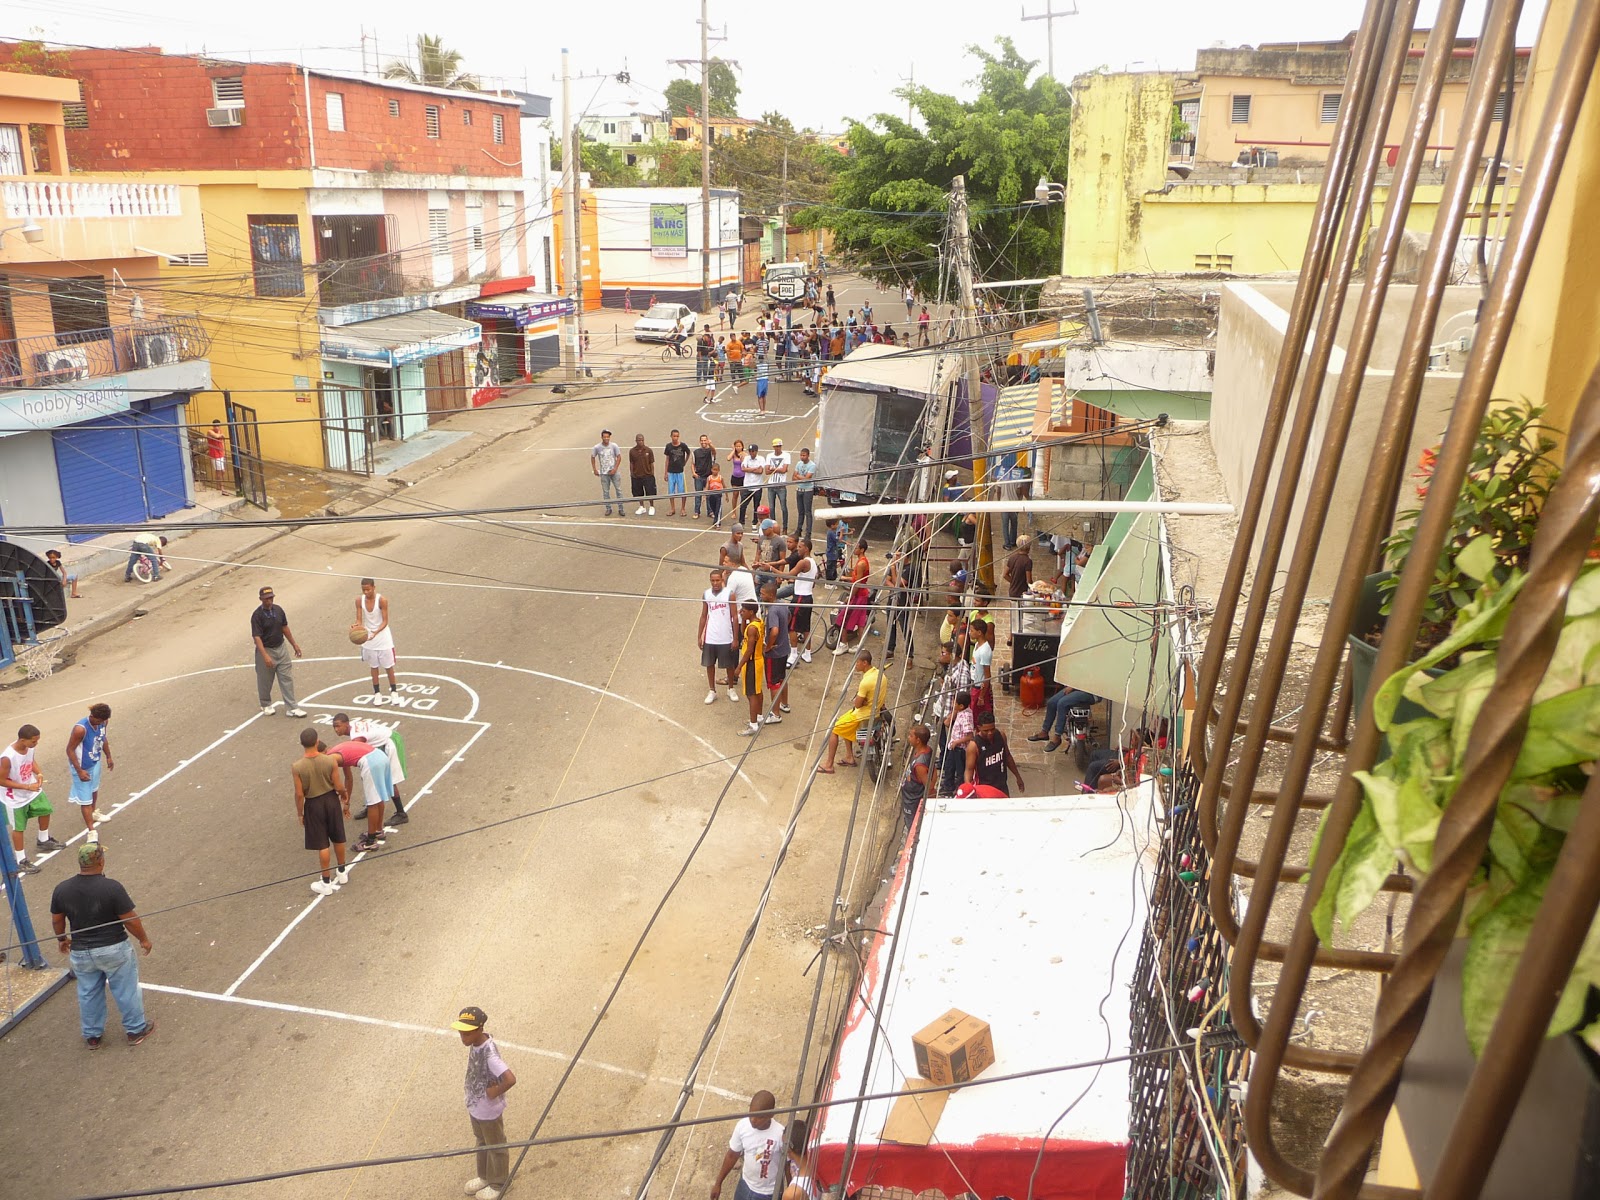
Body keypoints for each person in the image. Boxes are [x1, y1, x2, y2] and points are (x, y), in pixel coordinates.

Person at [50, 842, 154, 1049]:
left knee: (88, 992)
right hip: (113, 949)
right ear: (100, 861)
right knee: (126, 989)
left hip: (80, 952)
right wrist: (143, 939)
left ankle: (92, 1035)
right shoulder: (112, 887)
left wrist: (62, 939)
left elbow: (57, 919)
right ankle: (135, 1030)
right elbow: (130, 919)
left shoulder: (62, 889)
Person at [454, 1005, 517, 1200]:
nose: (462, 1037)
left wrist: (494, 1092)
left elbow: (510, 1078)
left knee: (496, 1146)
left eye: (467, 1033)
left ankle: (499, 1183)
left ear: (480, 1030)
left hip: (488, 1111)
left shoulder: (490, 1054)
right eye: (461, 1032)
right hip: (477, 1108)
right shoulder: (476, 1045)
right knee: (482, 1142)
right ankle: (484, 1176)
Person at [291, 727, 350, 896]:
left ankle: (326, 881)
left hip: (313, 804)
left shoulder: (297, 767)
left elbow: (299, 793)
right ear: (317, 742)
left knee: (322, 844)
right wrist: (344, 796)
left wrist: (300, 813)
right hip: (331, 800)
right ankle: (342, 870)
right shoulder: (330, 761)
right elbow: (338, 785)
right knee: (338, 837)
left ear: (302, 744)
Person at [331, 712, 409, 824]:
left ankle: (401, 813)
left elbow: (358, 755)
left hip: (390, 742)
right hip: (380, 743)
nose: (336, 729)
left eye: (338, 726)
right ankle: (371, 806)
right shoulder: (353, 727)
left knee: (390, 780)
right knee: (367, 776)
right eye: (334, 726)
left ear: (346, 724)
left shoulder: (357, 738)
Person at [3, 724, 61, 875]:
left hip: (30, 788)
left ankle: (43, 839)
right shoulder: (7, 758)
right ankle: (20, 860)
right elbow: (1, 780)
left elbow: (31, 761)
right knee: (19, 828)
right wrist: (26, 787)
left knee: (45, 809)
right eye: (33, 741)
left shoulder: (29, 748)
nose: (36, 744)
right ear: (22, 740)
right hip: (14, 797)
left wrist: (39, 773)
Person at [818, 652, 886, 773]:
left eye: (857, 662)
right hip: (875, 712)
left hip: (862, 715)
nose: (856, 665)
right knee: (844, 723)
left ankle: (829, 764)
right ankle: (849, 756)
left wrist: (859, 701)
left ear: (865, 663)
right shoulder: (881, 676)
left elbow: (857, 704)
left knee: (834, 729)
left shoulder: (865, 682)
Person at [712, 1091, 786, 1200]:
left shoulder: (780, 1134)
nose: (753, 1120)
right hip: (745, 1185)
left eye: (759, 1117)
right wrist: (718, 1183)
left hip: (768, 1193)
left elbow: (787, 1164)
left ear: (771, 1114)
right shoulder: (742, 1127)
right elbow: (732, 1155)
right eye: (751, 1114)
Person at [328, 734, 395, 855]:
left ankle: (370, 842)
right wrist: (347, 802)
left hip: (371, 763)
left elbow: (337, 784)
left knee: (372, 802)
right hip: (380, 757)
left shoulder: (330, 759)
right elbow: (348, 779)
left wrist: (341, 797)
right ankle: (378, 830)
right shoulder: (337, 752)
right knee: (378, 797)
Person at [252, 586, 306, 717]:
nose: (269, 601)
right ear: (261, 599)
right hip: (266, 649)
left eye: (270, 598)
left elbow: (284, 627)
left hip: (281, 648)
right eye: (266, 599)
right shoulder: (257, 616)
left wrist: (294, 644)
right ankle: (265, 704)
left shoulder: (278, 610)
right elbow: (257, 637)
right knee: (265, 679)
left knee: (286, 677)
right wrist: (265, 656)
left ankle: (292, 707)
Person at [65, 703, 114, 835]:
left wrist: (108, 756)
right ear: (93, 716)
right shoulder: (80, 729)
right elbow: (69, 750)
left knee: (94, 789)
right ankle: (91, 831)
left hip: (94, 762)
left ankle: (93, 813)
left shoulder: (103, 722)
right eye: (99, 721)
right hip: (82, 767)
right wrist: (79, 771)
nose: (101, 723)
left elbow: (102, 738)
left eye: (103, 721)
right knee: (85, 798)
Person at [700, 568, 740, 705]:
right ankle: (712, 690)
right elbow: (704, 615)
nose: (715, 583)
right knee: (709, 664)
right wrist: (700, 635)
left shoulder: (729, 594)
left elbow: (735, 616)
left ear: (722, 580)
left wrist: (735, 638)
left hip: (726, 636)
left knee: (729, 664)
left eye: (718, 580)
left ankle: (730, 688)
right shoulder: (706, 594)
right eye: (713, 581)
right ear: (710, 581)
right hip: (711, 636)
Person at [965, 709, 1025, 795]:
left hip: (1002, 786)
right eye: (986, 731)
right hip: (984, 789)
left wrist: (1018, 777)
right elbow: (969, 770)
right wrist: (969, 789)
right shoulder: (974, 746)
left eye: (992, 729)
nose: (990, 733)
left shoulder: (1001, 735)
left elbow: (1007, 757)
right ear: (979, 728)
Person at [356, 577, 398, 694]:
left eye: (368, 590)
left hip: (383, 637)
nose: (366, 592)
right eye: (363, 590)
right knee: (373, 667)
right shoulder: (359, 600)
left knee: (388, 666)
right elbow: (359, 620)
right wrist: (356, 627)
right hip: (369, 638)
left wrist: (376, 632)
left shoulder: (382, 600)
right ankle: (377, 693)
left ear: (374, 588)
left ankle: (394, 691)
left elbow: (385, 621)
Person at [831, 540, 873, 656]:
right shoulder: (862, 561)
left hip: (858, 596)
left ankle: (844, 644)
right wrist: (845, 578)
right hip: (862, 595)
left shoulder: (861, 564)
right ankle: (861, 645)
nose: (854, 549)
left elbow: (857, 583)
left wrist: (850, 597)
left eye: (856, 548)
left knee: (843, 618)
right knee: (860, 622)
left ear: (862, 549)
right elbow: (858, 579)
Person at [1029, 686, 1102, 751]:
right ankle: (1044, 732)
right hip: (1077, 687)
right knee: (1051, 702)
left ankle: (1057, 737)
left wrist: (1072, 687)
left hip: (1091, 691)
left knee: (1062, 703)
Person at [761, 581, 792, 722]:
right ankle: (784, 704)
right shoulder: (783, 605)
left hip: (774, 653)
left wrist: (768, 647)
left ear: (771, 595)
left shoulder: (772, 610)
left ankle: (775, 714)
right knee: (782, 678)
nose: (761, 596)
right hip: (785, 649)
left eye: (763, 594)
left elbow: (774, 631)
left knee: (774, 683)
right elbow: (789, 617)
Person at [735, 600, 767, 737]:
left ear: (751, 611)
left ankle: (753, 725)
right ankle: (759, 716)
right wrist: (743, 620)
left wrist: (739, 666)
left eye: (744, 610)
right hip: (758, 661)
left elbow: (749, 650)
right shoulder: (758, 622)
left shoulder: (753, 628)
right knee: (758, 690)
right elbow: (744, 635)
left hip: (751, 663)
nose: (742, 611)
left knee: (751, 694)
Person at [784, 538, 818, 666]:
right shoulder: (813, 562)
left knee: (791, 627)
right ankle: (807, 653)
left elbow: (788, 575)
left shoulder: (803, 563)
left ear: (806, 549)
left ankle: (793, 655)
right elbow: (813, 582)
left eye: (800, 547)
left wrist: (771, 568)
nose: (797, 549)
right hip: (808, 597)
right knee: (805, 627)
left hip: (800, 597)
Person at [899, 724, 933, 825]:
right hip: (909, 797)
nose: (908, 738)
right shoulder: (927, 750)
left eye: (911, 736)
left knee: (912, 824)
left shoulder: (920, 764)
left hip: (913, 801)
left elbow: (929, 786)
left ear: (918, 740)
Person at [592, 429, 624, 517]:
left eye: (607, 437)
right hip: (604, 473)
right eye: (604, 436)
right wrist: (595, 469)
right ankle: (608, 508)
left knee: (619, 490)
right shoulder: (597, 447)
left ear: (609, 437)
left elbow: (619, 457)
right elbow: (592, 457)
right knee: (606, 492)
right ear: (601, 437)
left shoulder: (614, 446)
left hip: (614, 472)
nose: (606, 438)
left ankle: (621, 508)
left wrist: (615, 468)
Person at [1004, 537, 1034, 627]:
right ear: (1028, 548)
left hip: (1012, 591)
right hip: (1022, 592)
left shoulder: (1012, 558)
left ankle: (1011, 635)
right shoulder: (1027, 561)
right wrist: (1033, 587)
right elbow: (1029, 580)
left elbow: (1005, 574)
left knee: (1014, 614)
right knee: (1021, 614)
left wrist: (1013, 582)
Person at [664, 429, 691, 517]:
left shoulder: (683, 446)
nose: (675, 438)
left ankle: (683, 508)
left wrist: (685, 462)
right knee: (671, 491)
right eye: (674, 436)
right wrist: (665, 472)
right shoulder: (668, 446)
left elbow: (688, 453)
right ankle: (672, 508)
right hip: (671, 472)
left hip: (680, 472)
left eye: (677, 436)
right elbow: (667, 459)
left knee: (683, 491)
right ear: (671, 436)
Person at [969, 618, 994, 713]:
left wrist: (981, 696)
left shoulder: (984, 651)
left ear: (979, 632)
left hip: (979, 687)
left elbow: (987, 675)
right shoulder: (976, 645)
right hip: (974, 682)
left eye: (972, 631)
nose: (970, 633)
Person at [629, 433, 658, 516]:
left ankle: (651, 506)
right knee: (638, 492)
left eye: (642, 440)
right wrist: (632, 473)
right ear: (636, 441)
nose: (640, 442)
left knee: (650, 492)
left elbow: (651, 463)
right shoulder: (632, 451)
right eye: (639, 440)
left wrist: (652, 473)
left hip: (647, 475)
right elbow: (631, 463)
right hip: (637, 476)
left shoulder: (648, 450)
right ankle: (642, 507)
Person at [766, 439, 791, 531]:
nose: (778, 448)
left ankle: (785, 527)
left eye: (779, 446)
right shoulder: (769, 456)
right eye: (776, 446)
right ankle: (773, 526)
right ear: (773, 447)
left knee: (783, 507)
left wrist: (773, 468)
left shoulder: (786, 455)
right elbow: (767, 471)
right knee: (771, 508)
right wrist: (778, 468)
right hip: (771, 485)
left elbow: (784, 470)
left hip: (781, 485)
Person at [792, 448, 816, 541]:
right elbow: (793, 477)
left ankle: (808, 532)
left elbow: (807, 478)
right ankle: (799, 530)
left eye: (804, 455)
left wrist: (799, 477)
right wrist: (800, 477)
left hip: (808, 490)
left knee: (807, 512)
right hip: (799, 489)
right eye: (801, 455)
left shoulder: (812, 465)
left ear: (808, 455)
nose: (802, 457)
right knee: (800, 511)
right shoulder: (798, 463)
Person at [740, 442, 767, 526]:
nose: (751, 453)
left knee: (756, 506)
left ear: (756, 451)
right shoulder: (746, 458)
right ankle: (741, 522)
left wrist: (749, 469)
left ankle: (755, 523)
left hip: (757, 486)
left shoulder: (761, 459)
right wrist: (754, 468)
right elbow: (743, 469)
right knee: (743, 505)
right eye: (750, 451)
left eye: (753, 451)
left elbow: (760, 471)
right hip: (747, 485)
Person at [693, 434, 717, 518]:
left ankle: (710, 512)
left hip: (708, 476)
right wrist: (694, 473)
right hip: (699, 476)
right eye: (702, 440)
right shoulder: (696, 452)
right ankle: (696, 512)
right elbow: (692, 463)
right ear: (700, 441)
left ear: (707, 441)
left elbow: (714, 451)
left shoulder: (710, 451)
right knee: (698, 495)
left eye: (705, 440)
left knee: (708, 495)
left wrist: (710, 444)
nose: (703, 442)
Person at [706, 462, 727, 528]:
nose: (715, 471)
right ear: (711, 470)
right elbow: (707, 486)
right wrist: (705, 495)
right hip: (711, 495)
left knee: (718, 509)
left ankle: (717, 523)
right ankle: (716, 519)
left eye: (716, 470)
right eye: (714, 469)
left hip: (718, 495)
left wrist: (726, 495)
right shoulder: (709, 478)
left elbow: (724, 486)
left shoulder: (720, 478)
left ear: (718, 470)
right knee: (713, 507)